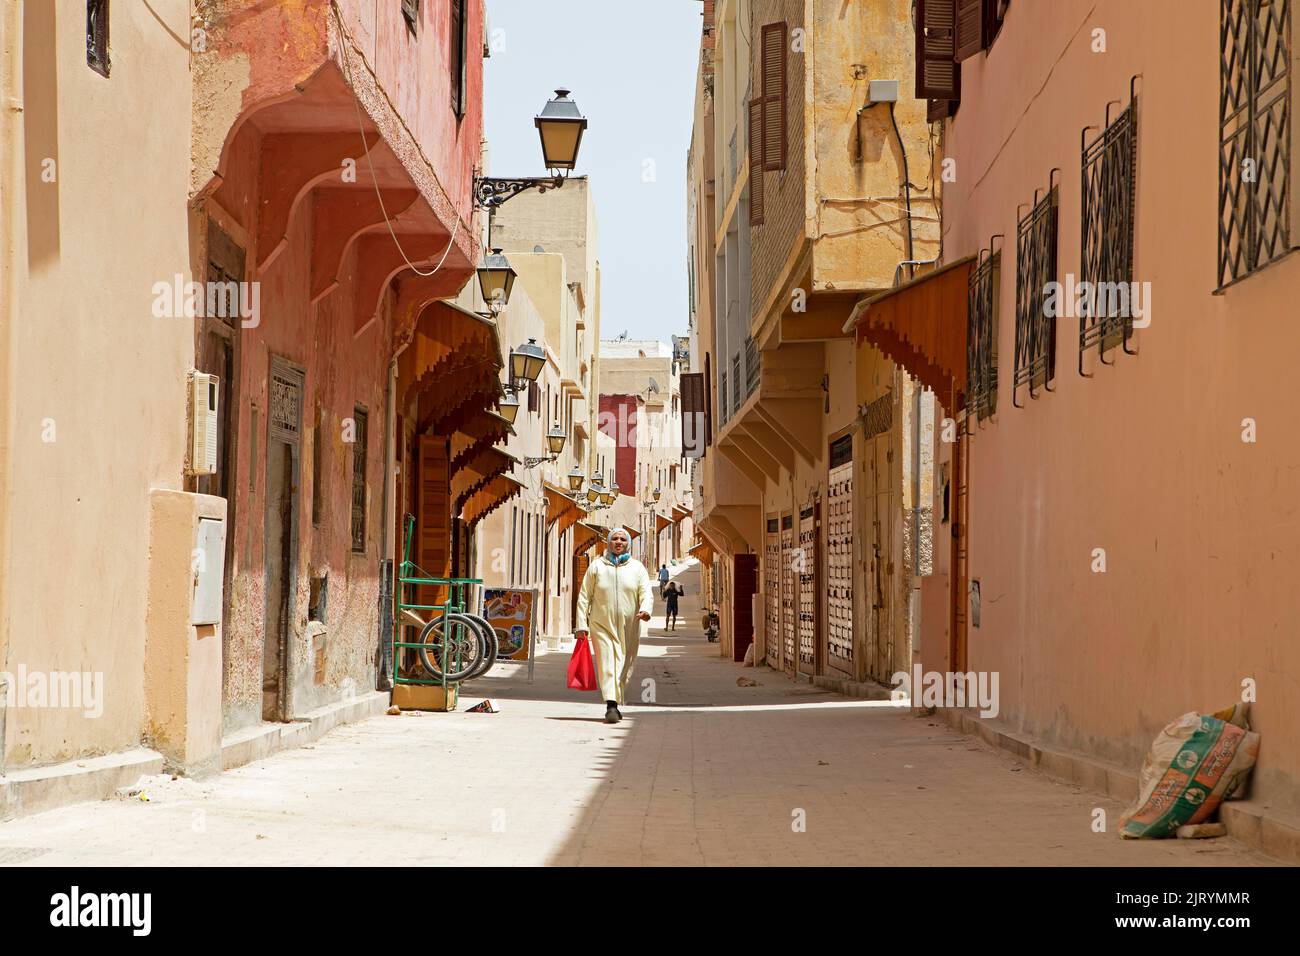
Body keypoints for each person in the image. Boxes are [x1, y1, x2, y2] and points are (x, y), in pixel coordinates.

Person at [574, 528, 653, 724]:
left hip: (629, 626)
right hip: (601, 625)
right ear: (608, 542)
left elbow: (646, 592)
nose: (619, 542)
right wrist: (581, 625)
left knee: (625, 664)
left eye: (623, 539)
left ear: (628, 544)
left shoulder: (637, 568)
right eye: (615, 539)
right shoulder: (597, 567)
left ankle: (616, 700)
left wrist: (645, 610)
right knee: (608, 663)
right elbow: (584, 597)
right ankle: (611, 705)